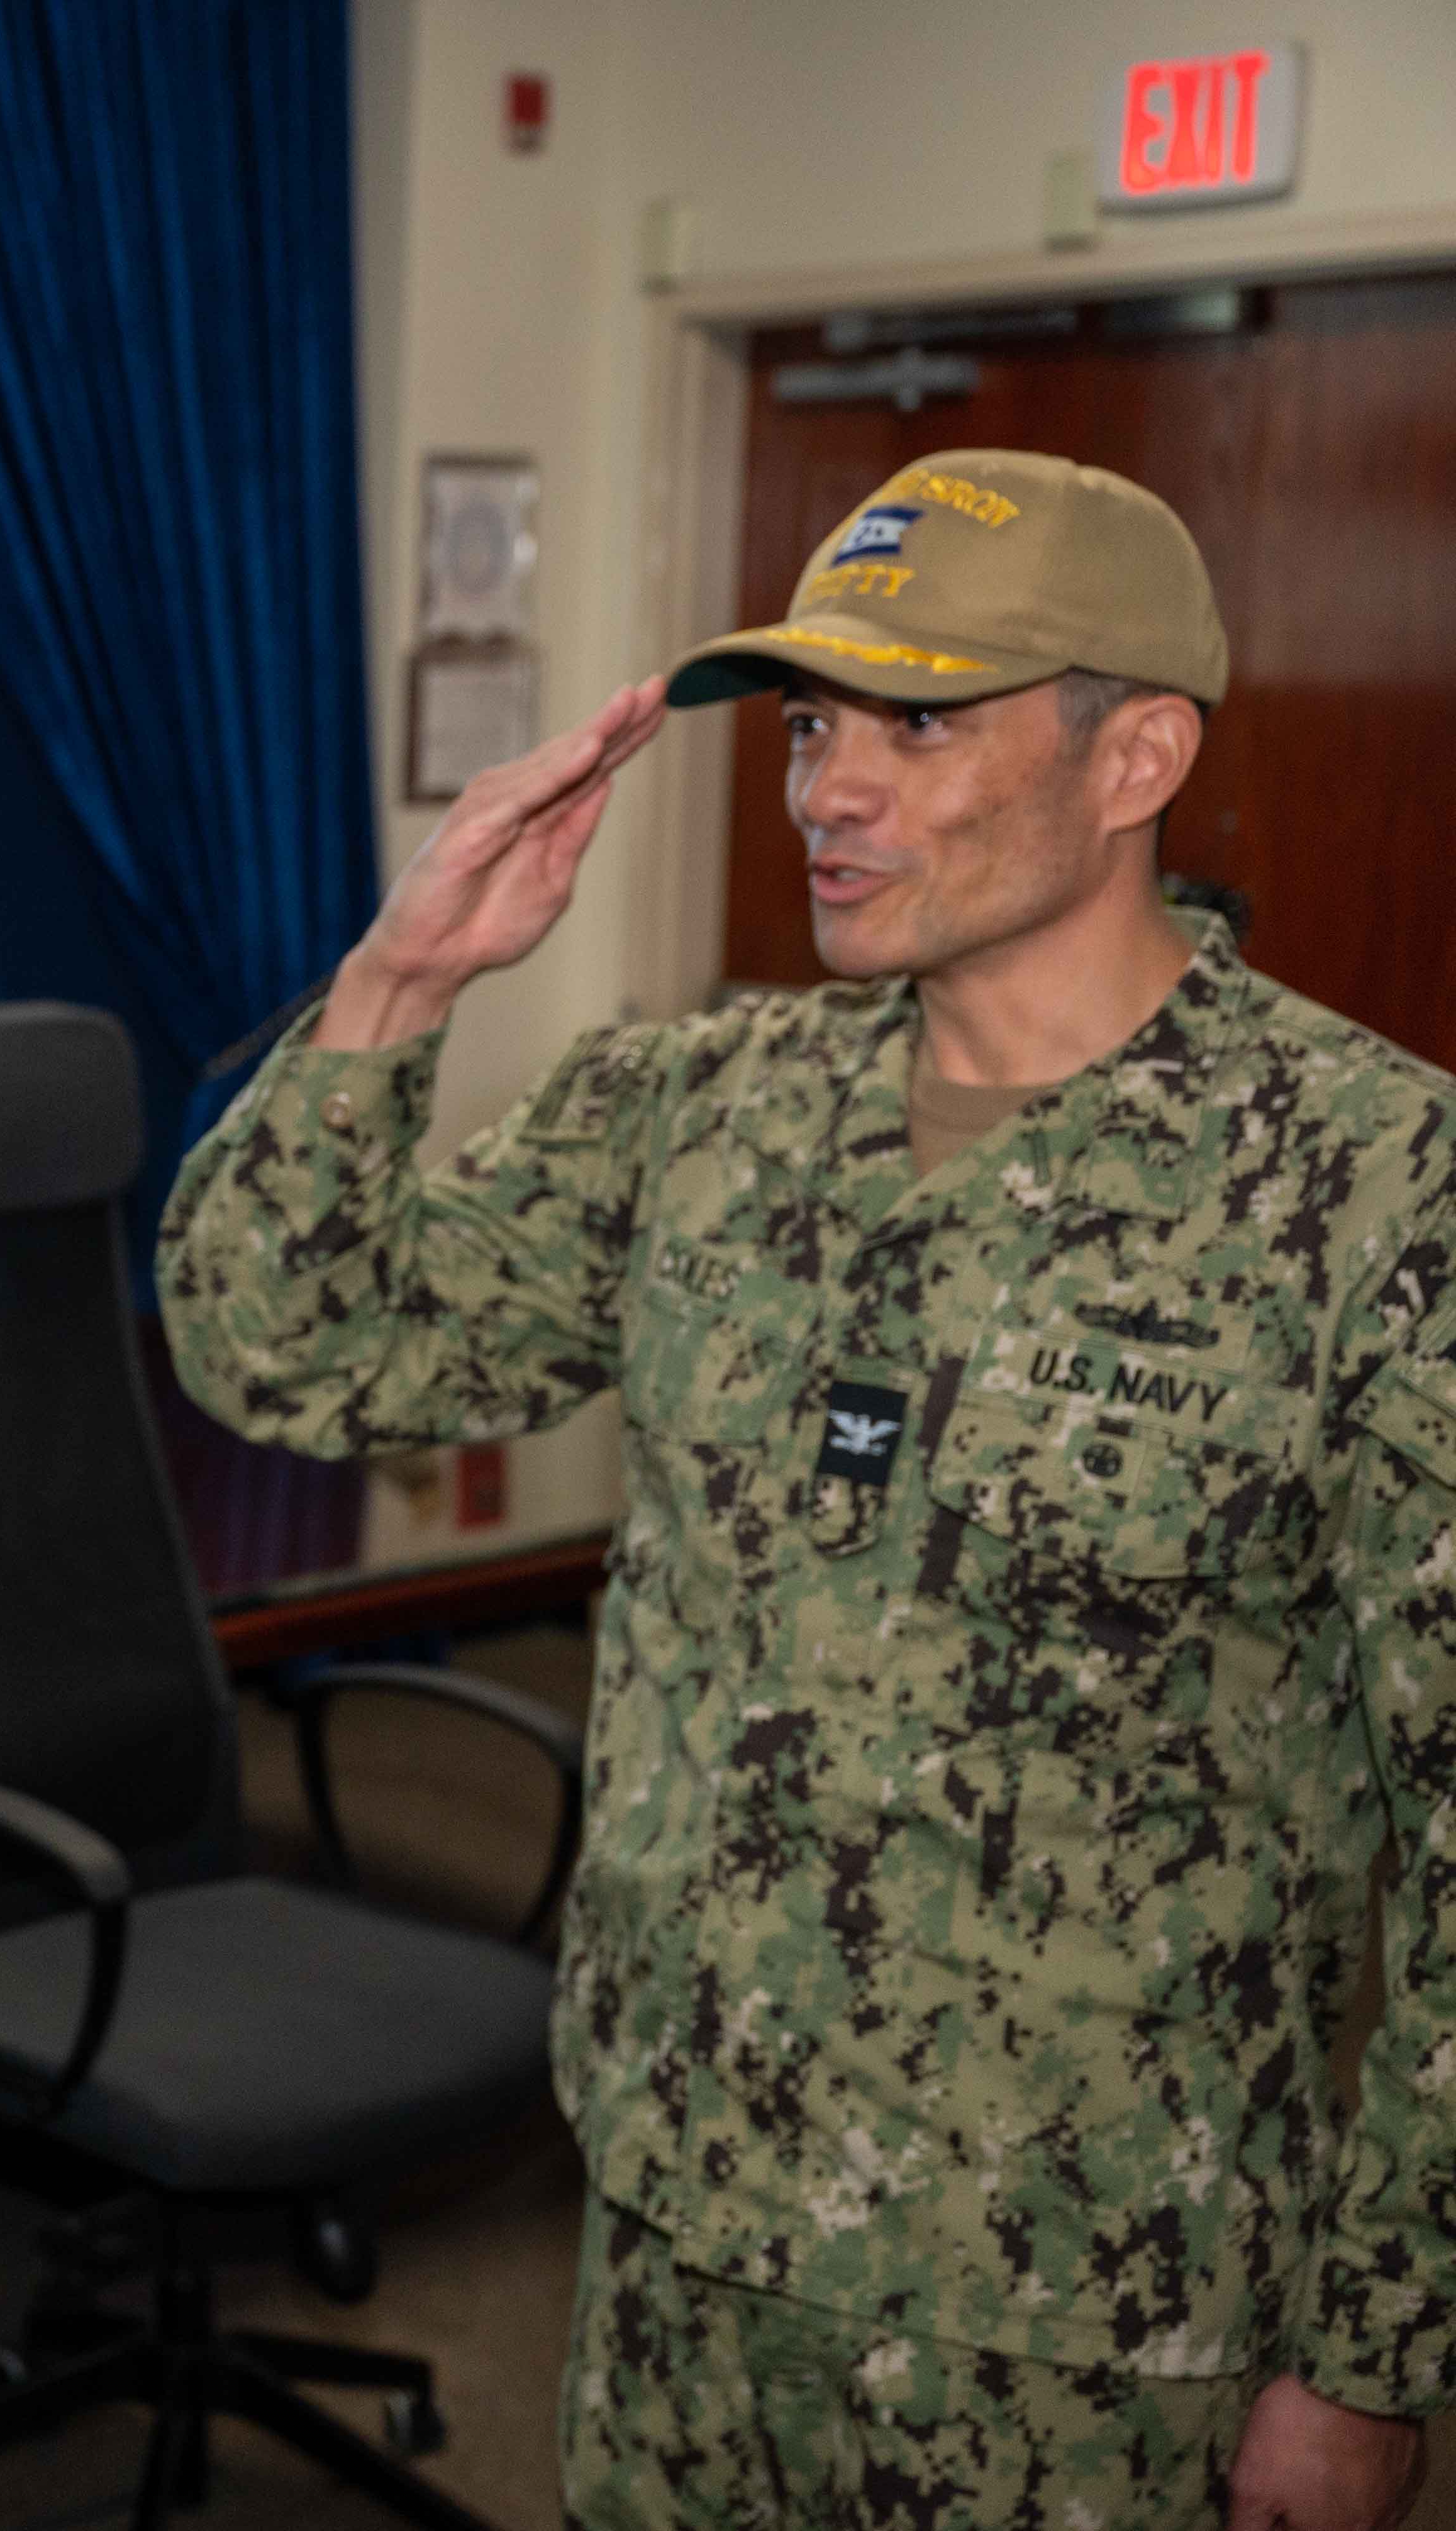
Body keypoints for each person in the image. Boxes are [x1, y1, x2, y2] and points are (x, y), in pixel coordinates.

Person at [158, 449, 1449, 2530]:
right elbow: (290, 1347)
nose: (827, 788)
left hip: (1079, 2316)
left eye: (917, 722)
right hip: (679, 2216)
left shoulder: (1375, 1191)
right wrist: (400, 985)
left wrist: (1379, 2362)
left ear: (1137, 756)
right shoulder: (707, 1110)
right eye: (813, 725)